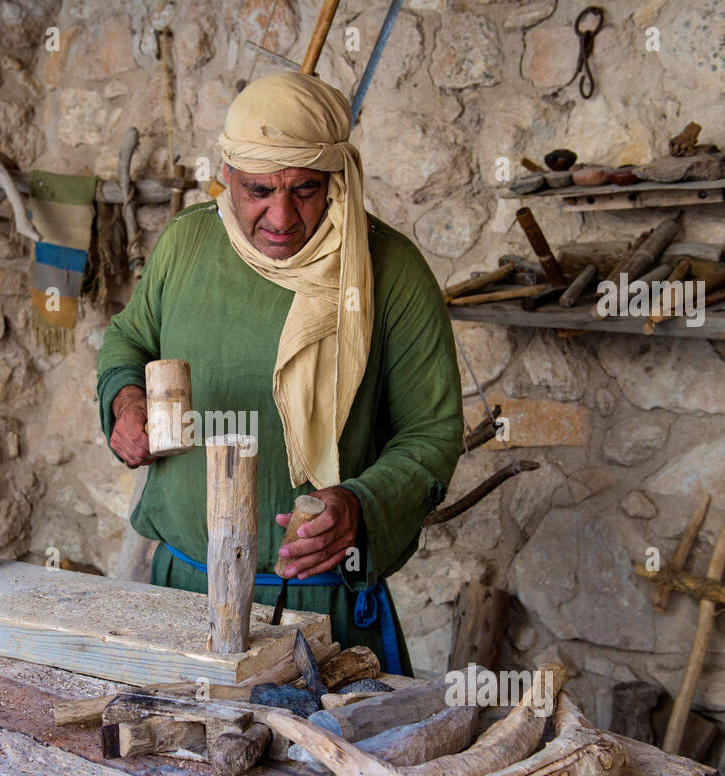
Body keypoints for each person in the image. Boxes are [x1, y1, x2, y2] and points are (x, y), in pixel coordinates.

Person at [95, 71, 464, 675]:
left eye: (307, 190)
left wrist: (359, 504)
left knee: (321, 765)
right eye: (259, 190)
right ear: (230, 176)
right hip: (177, 593)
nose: (281, 216)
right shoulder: (187, 242)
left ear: (337, 180)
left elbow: (433, 433)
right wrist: (125, 400)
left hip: (318, 610)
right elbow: (129, 338)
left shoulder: (388, 272)